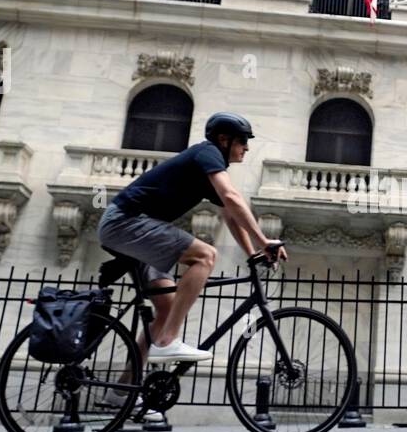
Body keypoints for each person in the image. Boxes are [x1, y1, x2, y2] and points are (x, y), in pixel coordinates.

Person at [97, 112, 286, 378]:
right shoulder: (207, 153)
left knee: (166, 307)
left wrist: (254, 253)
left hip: (131, 226)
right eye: (243, 140)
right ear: (224, 139)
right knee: (205, 256)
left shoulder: (208, 166)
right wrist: (265, 240)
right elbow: (232, 196)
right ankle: (167, 342)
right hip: (126, 223)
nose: (247, 147)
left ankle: (123, 391)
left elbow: (231, 216)